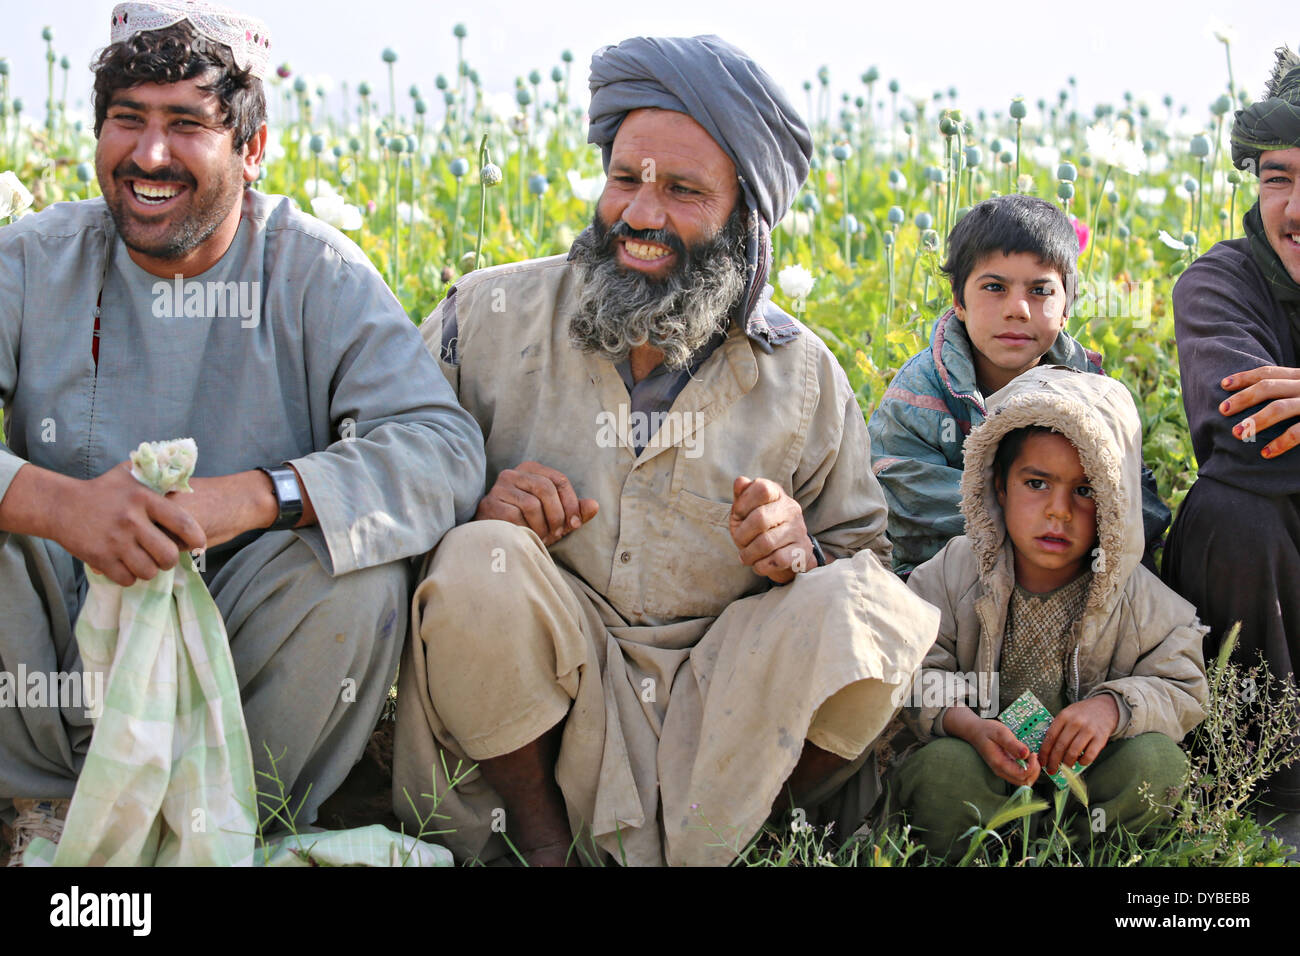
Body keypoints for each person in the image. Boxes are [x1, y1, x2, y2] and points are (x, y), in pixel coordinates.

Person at [391, 34, 940, 867]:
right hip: (541, 689)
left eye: (683, 191)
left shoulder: (801, 373)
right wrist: (474, 505)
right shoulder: (488, 316)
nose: (641, 215)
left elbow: (866, 561)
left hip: (721, 707)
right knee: (480, 561)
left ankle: (734, 841)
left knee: (872, 612)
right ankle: (544, 850)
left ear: (742, 217)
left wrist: (804, 551)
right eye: (626, 180)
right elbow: (391, 473)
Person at [0, 1, 484, 860]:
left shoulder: (316, 273)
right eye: (127, 121)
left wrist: (259, 497)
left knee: (357, 571)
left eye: (187, 124)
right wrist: (58, 506)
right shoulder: (34, 261)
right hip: (56, 664)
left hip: (237, 644)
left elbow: (440, 450)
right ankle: (43, 809)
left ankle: (229, 815)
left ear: (252, 149)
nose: (149, 155)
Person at [893, 366, 1208, 862]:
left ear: (1114, 502)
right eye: (1037, 483)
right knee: (940, 773)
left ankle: (1073, 849)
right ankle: (988, 847)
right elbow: (914, 666)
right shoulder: (954, 571)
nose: (1059, 511)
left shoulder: (1136, 595)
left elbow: (1184, 686)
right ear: (998, 485)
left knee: (1158, 765)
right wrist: (969, 726)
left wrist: (1112, 708)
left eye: (1085, 492)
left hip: (1087, 783)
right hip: (985, 770)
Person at [868, 194, 1171, 576]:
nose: (1018, 309)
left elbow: (1135, 504)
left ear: (1066, 308)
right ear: (959, 301)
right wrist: (1032, 532)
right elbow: (909, 508)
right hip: (950, 582)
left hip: (1077, 577)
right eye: (994, 288)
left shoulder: (1093, 389)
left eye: (1040, 291)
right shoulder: (919, 393)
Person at [1161, 45, 1300, 822]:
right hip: (1281, 566)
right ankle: (1265, 794)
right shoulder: (1218, 284)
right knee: (1228, 510)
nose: (1295, 208)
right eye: (1277, 177)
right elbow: (1248, 440)